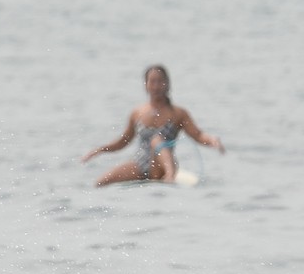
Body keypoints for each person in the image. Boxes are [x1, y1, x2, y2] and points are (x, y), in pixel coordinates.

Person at [83, 64, 225, 187]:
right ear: (146, 85)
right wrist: (100, 150)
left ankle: (169, 176)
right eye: (152, 82)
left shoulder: (178, 113)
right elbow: (123, 141)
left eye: (160, 82)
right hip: (140, 165)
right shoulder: (137, 112)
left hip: (163, 166)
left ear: (167, 84)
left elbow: (198, 135)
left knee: (157, 140)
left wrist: (213, 140)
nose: (156, 86)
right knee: (100, 183)